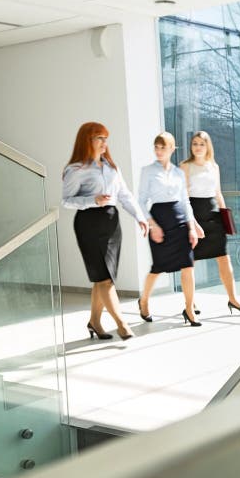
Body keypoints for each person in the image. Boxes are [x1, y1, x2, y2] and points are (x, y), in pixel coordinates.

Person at [61, 121, 148, 341]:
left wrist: (140, 217)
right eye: (99, 138)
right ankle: (122, 324)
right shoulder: (75, 169)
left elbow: (125, 195)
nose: (104, 143)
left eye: (105, 138)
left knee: (102, 279)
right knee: (106, 279)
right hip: (88, 224)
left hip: (111, 224)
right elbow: (66, 201)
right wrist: (93, 200)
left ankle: (95, 322)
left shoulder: (111, 168)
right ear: (87, 141)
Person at [137, 132, 201, 326]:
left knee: (188, 266)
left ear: (172, 148)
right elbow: (140, 201)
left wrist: (191, 227)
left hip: (180, 221)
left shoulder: (179, 173)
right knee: (157, 268)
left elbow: (186, 202)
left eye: (163, 147)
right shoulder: (147, 171)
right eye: (156, 147)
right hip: (159, 222)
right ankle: (144, 300)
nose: (159, 150)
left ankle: (189, 309)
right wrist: (152, 224)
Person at [181, 131, 240, 314]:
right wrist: (192, 224)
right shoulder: (185, 166)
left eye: (202, 144)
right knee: (190, 263)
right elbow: (184, 197)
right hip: (194, 215)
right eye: (195, 143)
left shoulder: (214, 166)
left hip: (214, 217)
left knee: (224, 258)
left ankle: (233, 299)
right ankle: (190, 304)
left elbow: (218, 193)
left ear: (208, 146)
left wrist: (226, 218)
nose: (198, 147)